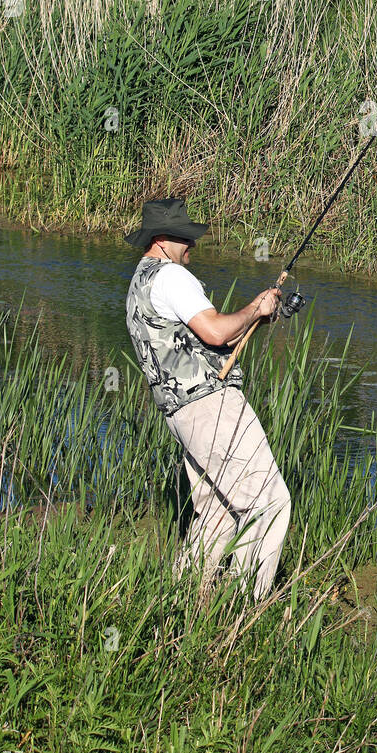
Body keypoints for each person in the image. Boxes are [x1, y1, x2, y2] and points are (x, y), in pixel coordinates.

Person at [124, 197, 290, 602]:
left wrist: (255, 317)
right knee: (269, 501)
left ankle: (182, 603)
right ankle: (243, 610)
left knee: (216, 513)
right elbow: (217, 332)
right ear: (162, 240)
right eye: (184, 238)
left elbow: (215, 339)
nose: (191, 247)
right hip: (211, 408)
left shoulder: (139, 284)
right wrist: (254, 305)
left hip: (181, 415)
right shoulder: (171, 277)